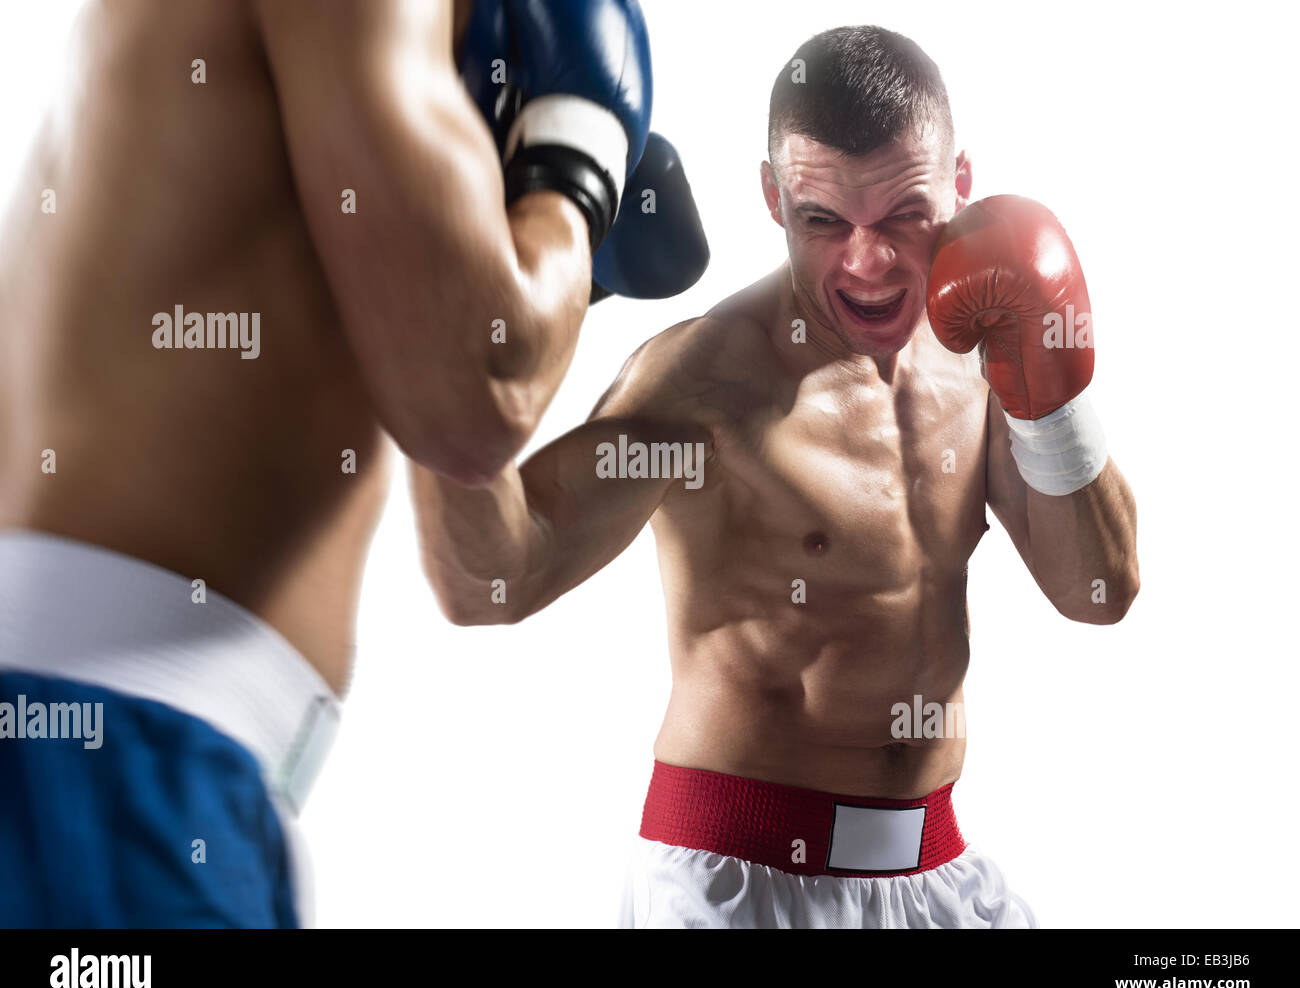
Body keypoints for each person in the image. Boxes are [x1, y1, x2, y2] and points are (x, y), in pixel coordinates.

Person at [0, 0, 705, 928]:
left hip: (138, 749)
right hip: (120, 752)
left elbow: (471, 538)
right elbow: (479, 398)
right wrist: (576, 161)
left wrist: (502, 224)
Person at [418, 25, 1139, 929]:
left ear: (960, 183)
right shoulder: (706, 385)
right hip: (741, 877)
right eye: (824, 221)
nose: (866, 263)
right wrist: (429, 372)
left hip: (938, 869)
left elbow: (1098, 593)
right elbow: (497, 579)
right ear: (772, 196)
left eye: (904, 217)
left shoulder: (984, 352)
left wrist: (1053, 398)